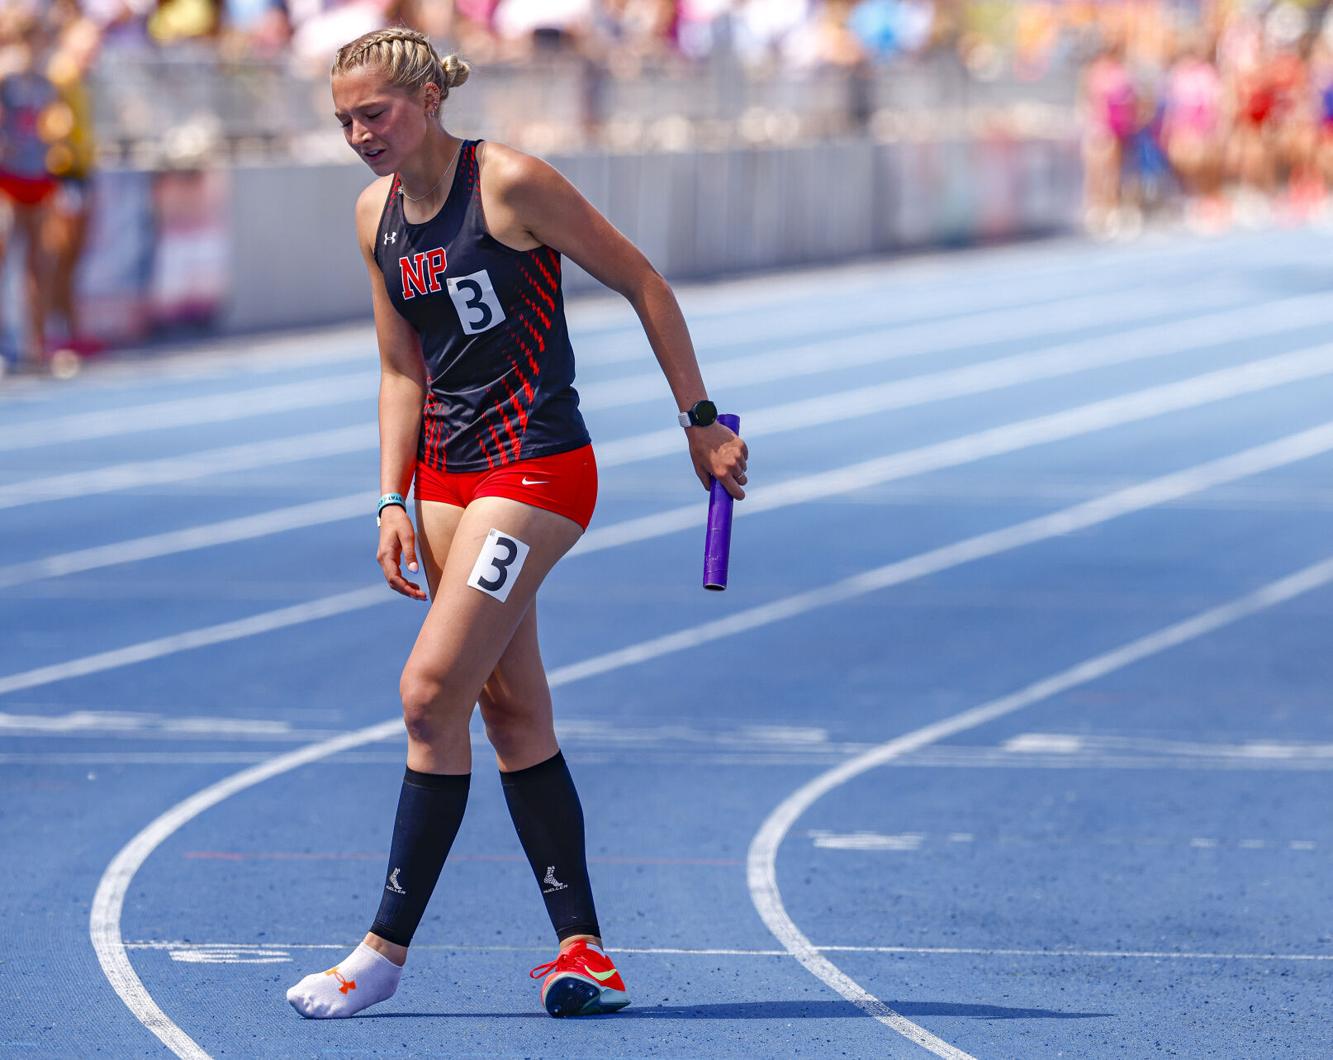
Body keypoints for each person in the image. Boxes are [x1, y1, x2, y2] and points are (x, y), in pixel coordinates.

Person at [285, 26, 747, 1020]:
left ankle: (381, 952)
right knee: (511, 713)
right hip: (447, 485)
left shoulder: (509, 185)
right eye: (344, 120)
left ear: (428, 102)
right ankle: (585, 953)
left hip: (536, 472)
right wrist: (390, 497)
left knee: (426, 694)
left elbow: (641, 281)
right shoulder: (375, 214)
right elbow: (402, 368)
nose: (360, 133)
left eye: (376, 113)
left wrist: (699, 423)